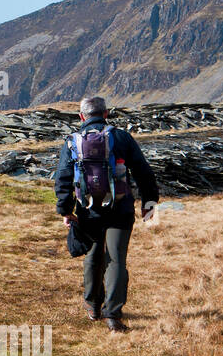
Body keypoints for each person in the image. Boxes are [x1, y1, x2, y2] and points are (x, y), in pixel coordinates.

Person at [53, 96, 158, 333]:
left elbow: (63, 177)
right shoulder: (122, 137)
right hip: (120, 210)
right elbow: (143, 171)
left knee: (93, 257)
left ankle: (93, 306)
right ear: (106, 113)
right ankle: (113, 315)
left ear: (81, 116)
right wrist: (149, 201)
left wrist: (65, 210)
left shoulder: (73, 141)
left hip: (87, 211)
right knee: (116, 259)